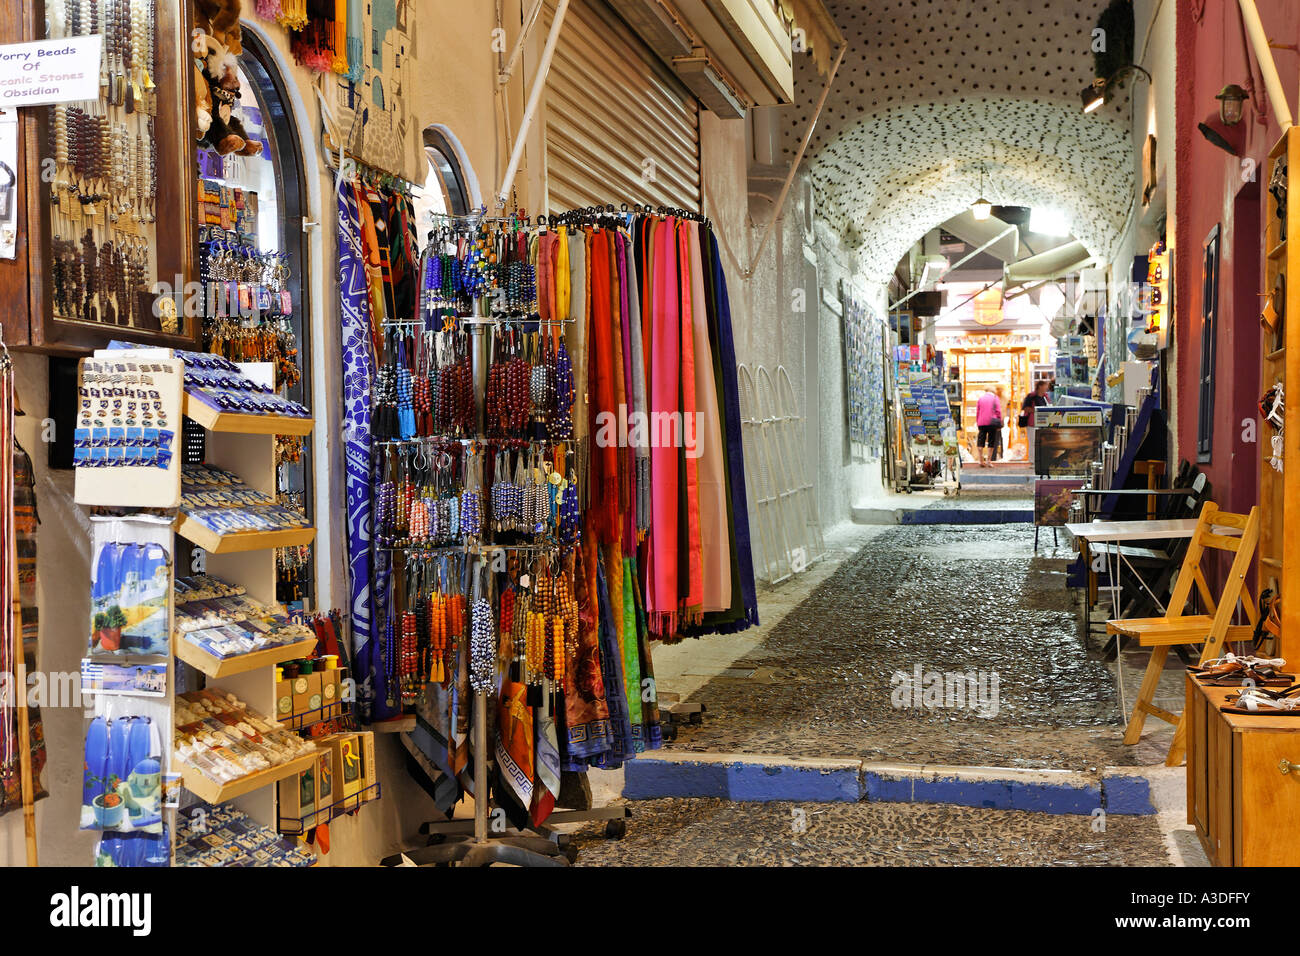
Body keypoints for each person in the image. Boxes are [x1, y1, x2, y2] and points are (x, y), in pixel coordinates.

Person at [1020, 379, 1051, 468]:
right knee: (1033, 443)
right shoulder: (1031, 396)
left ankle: (1041, 461)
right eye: (1045, 385)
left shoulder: (1045, 397)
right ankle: (1033, 462)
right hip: (1032, 423)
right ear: (1040, 386)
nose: (1046, 387)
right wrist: (1037, 411)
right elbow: (1025, 408)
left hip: (1043, 423)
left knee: (1041, 443)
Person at [974, 386, 1003, 467]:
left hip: (981, 422)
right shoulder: (995, 398)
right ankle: (988, 461)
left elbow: (978, 411)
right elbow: (998, 411)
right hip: (992, 422)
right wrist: (999, 421)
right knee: (991, 441)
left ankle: (980, 460)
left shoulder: (981, 398)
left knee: (981, 440)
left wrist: (978, 422)